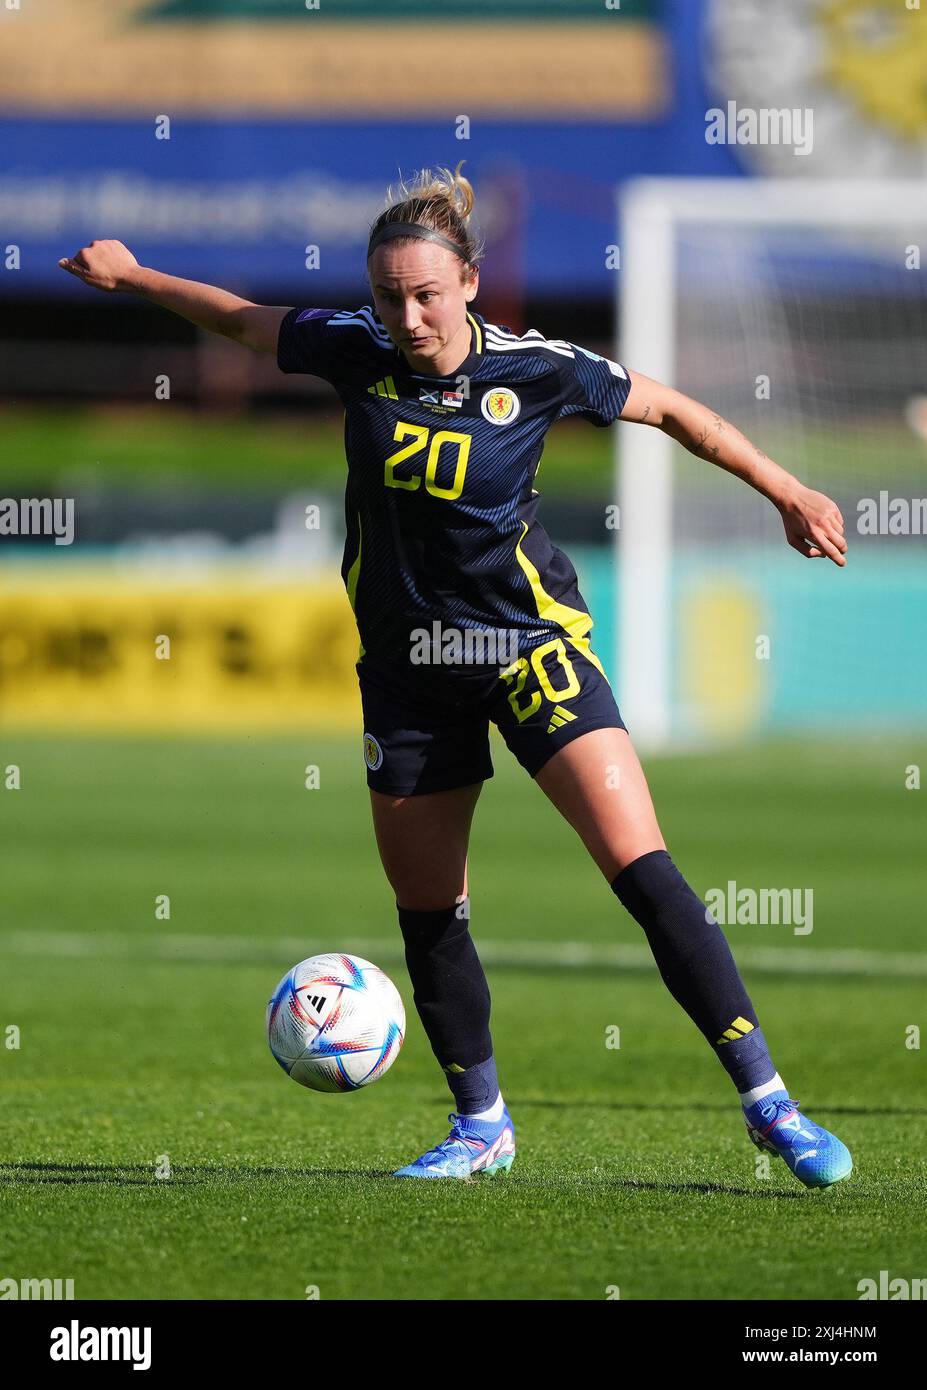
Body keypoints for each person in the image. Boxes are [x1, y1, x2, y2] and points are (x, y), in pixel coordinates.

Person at [59, 162, 852, 1189]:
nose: (407, 315)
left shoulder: (538, 368)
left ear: (469, 282)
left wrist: (786, 488)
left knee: (643, 867)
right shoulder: (356, 348)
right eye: (389, 296)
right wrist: (134, 277)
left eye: (426, 294)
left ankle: (769, 1104)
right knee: (432, 910)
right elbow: (244, 320)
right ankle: (482, 1124)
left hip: (532, 651)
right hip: (408, 674)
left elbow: (670, 410)